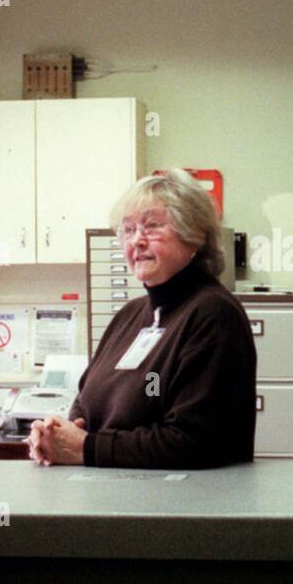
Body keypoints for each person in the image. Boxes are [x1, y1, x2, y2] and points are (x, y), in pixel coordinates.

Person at [28, 168, 257, 469]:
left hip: (181, 508)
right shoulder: (129, 315)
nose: (136, 240)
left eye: (151, 227)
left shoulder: (213, 315)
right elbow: (86, 402)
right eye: (127, 229)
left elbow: (193, 442)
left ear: (195, 235)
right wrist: (55, 435)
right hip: (113, 499)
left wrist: (86, 447)